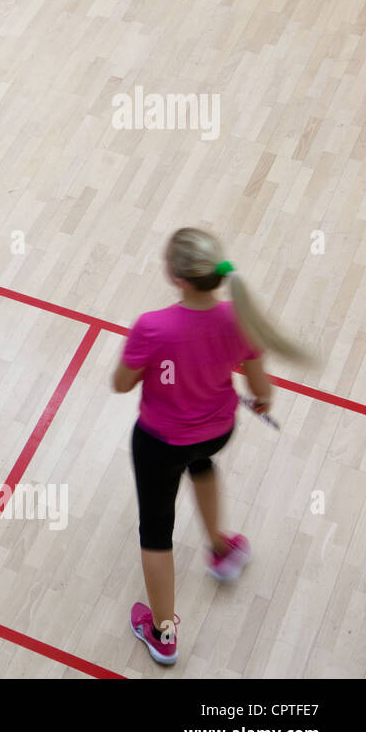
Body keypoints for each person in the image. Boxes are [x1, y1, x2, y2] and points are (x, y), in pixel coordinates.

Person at [112, 227, 311, 664]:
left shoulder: (152, 327)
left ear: (179, 278)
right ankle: (221, 549)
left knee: (156, 531)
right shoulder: (237, 319)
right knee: (201, 464)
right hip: (216, 433)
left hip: (159, 444)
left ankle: (163, 634)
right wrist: (258, 400)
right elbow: (262, 391)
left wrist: (157, 369)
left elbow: (120, 384)